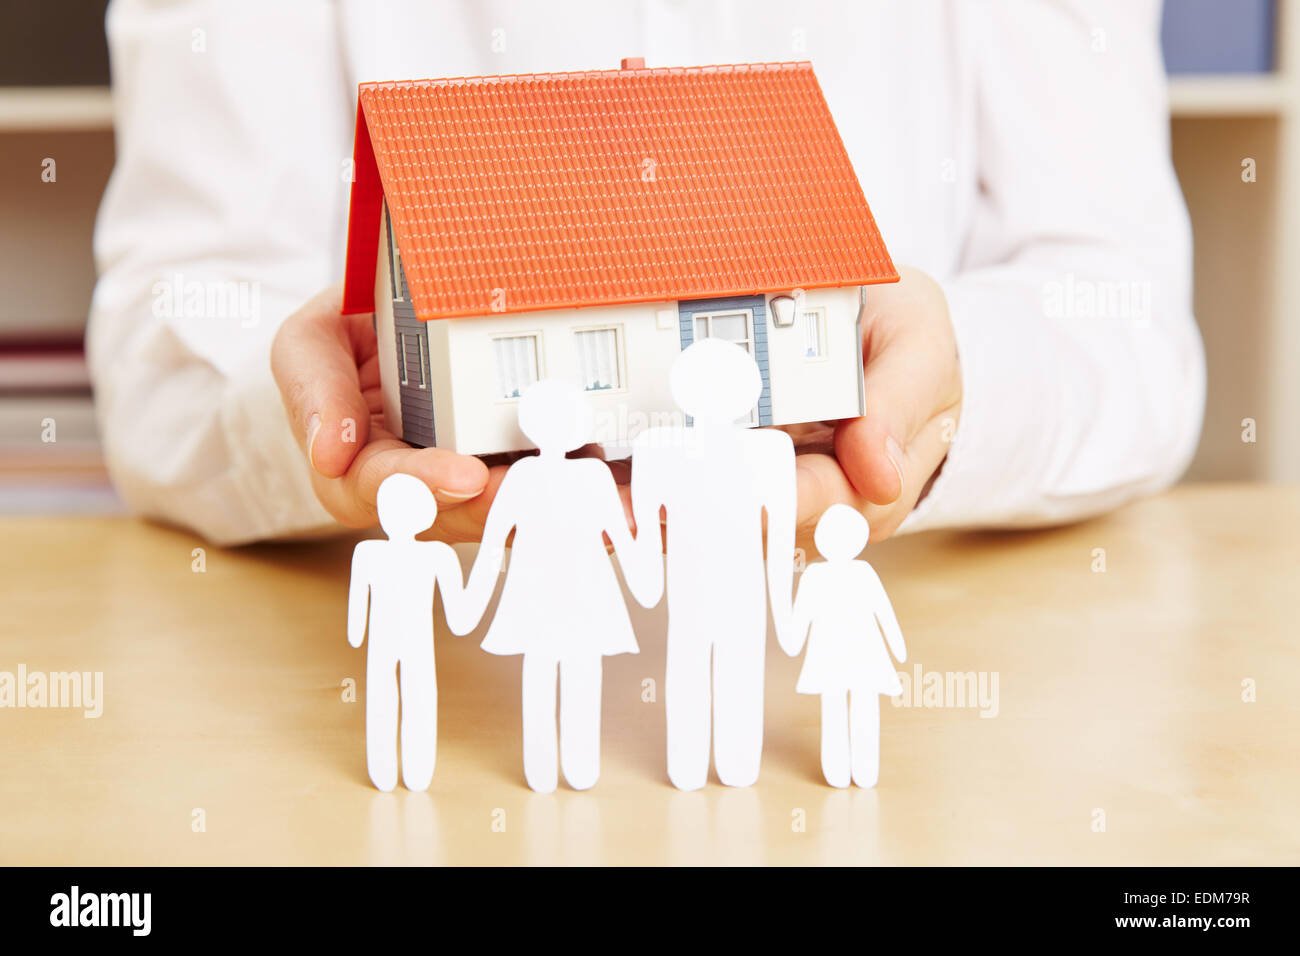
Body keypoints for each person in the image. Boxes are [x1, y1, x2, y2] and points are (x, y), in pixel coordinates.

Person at [88, 0, 1204, 549]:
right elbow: (171, 340)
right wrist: (316, 425)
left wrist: (948, 400)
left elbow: (1125, 313)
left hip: (899, 629)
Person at [461, 380, 655, 793]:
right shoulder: (584, 475)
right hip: (566, 594)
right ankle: (563, 770)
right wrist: (645, 584)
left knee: (546, 676)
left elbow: (494, 544)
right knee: (571, 675)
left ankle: (556, 770)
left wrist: (470, 605)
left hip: (555, 595)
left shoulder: (529, 474)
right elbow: (622, 540)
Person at [631, 339, 796, 790]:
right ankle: (719, 765)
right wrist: (786, 615)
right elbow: (781, 541)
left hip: (706, 590)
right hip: (719, 591)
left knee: (698, 670)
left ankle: (706, 767)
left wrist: (646, 585)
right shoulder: (769, 450)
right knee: (725, 671)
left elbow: (644, 532)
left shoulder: (660, 449)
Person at [347, 472, 477, 792]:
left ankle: (393, 771)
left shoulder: (370, 553)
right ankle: (403, 771)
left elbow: (356, 618)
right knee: (414, 697)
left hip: (386, 643)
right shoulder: (435, 555)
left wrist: (356, 633)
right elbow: (460, 618)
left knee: (386, 696)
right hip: (413, 643)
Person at [787, 504, 906, 789]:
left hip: (838, 654)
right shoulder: (854, 573)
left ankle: (849, 770)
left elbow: (883, 612)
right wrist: (897, 647)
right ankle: (846, 771)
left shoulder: (819, 575)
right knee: (855, 707)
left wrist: (791, 641)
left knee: (838, 708)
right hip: (859, 653)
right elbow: (884, 614)